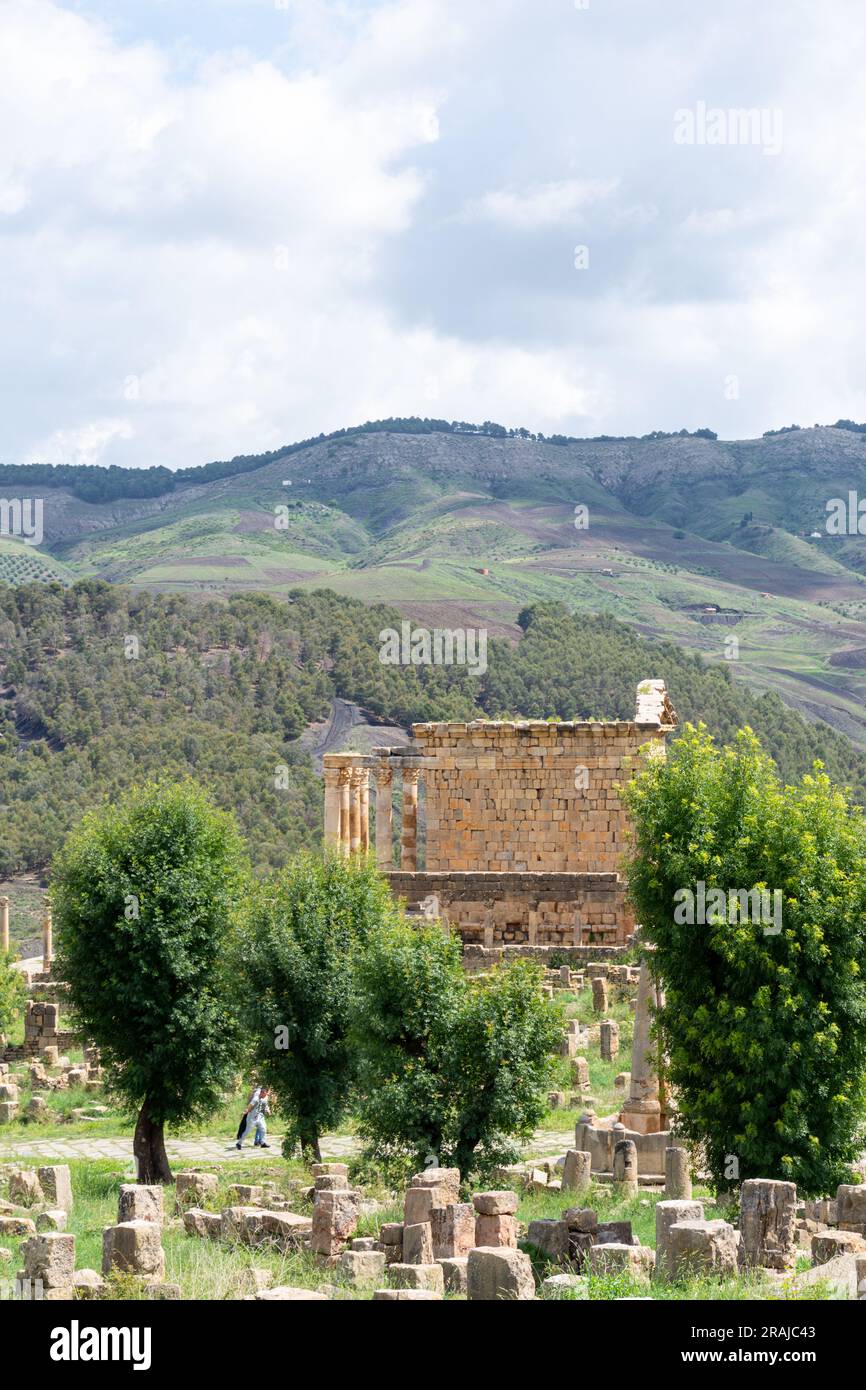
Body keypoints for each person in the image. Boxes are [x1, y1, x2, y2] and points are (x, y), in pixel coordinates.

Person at [236, 1084, 272, 1149]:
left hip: (260, 1117)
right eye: (265, 1094)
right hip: (252, 1118)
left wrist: (268, 1111)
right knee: (247, 1131)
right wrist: (245, 1112)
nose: (266, 1096)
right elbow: (250, 1106)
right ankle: (239, 1143)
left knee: (263, 1128)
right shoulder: (256, 1099)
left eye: (267, 1094)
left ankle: (262, 1143)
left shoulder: (265, 1097)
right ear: (262, 1092)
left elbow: (265, 1104)